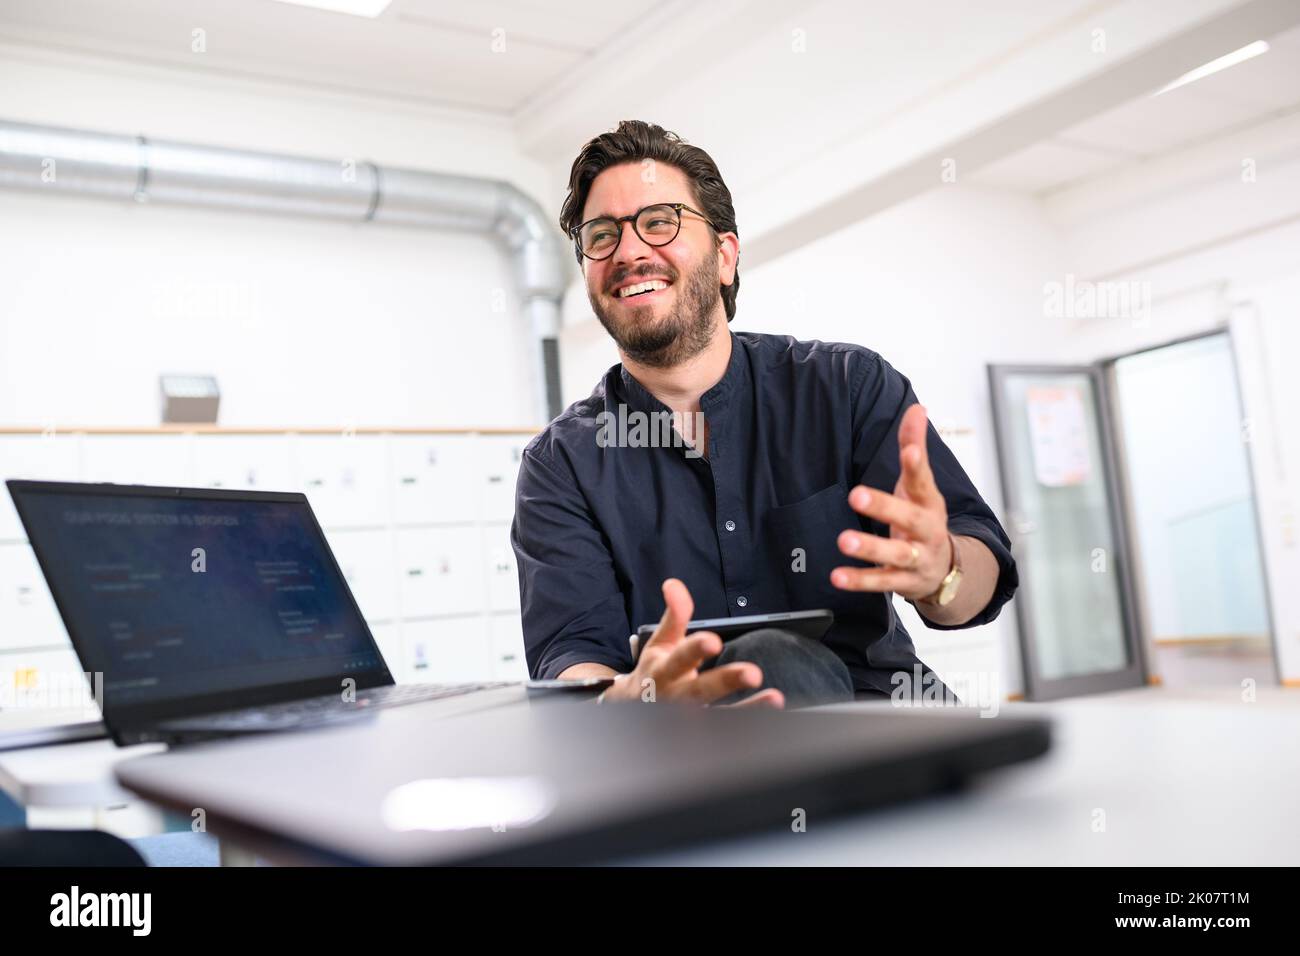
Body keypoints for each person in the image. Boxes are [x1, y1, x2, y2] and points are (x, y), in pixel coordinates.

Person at [511, 120, 1018, 709]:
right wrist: (624, 706)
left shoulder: (847, 387)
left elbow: (978, 574)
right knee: (766, 663)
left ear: (724, 256)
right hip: (686, 754)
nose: (627, 251)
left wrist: (944, 572)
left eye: (659, 222)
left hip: (880, 723)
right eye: (601, 236)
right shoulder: (561, 465)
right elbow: (573, 657)